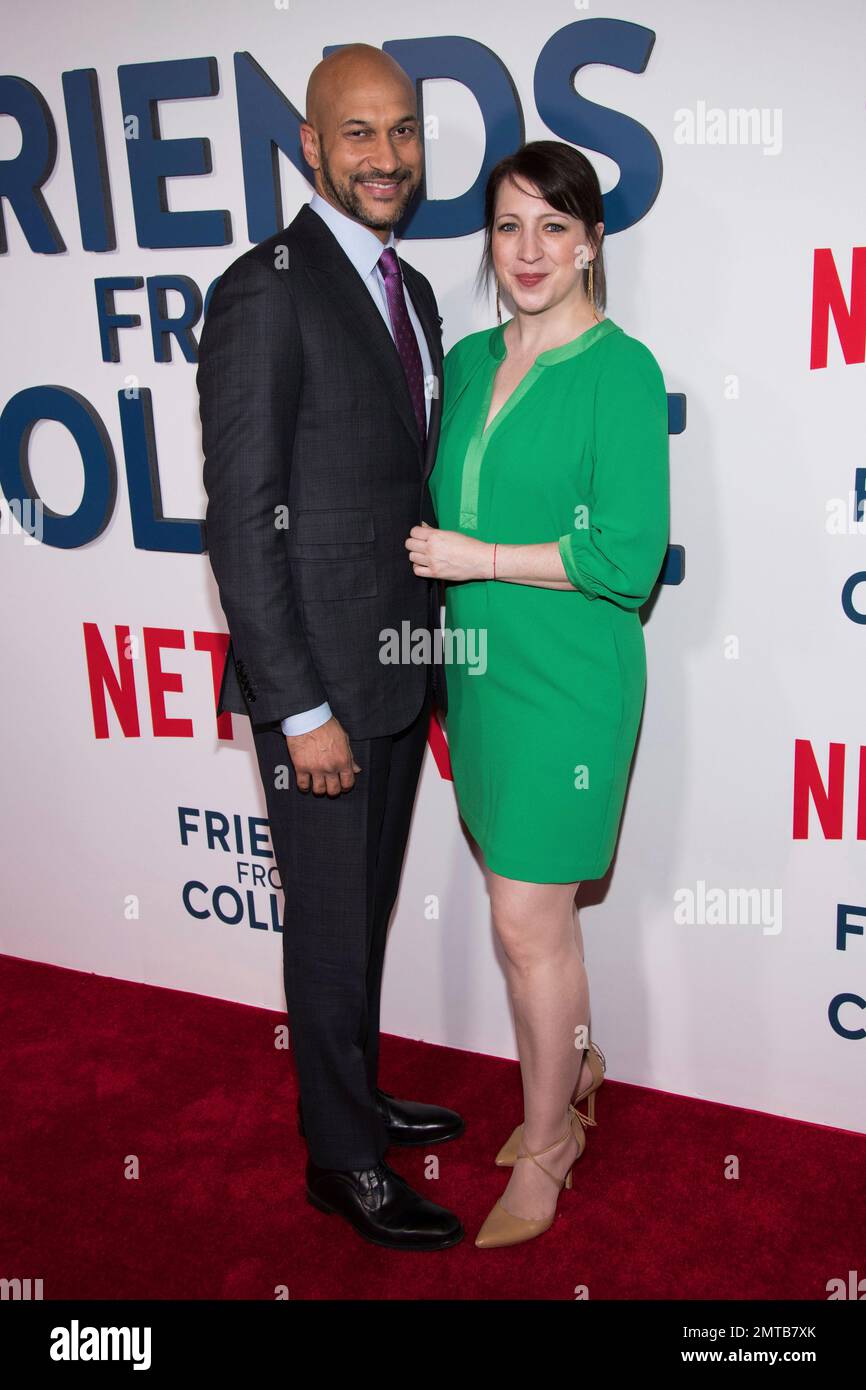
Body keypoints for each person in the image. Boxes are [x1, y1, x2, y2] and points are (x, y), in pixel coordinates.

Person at [197, 43, 464, 1252]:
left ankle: (349, 1098)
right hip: (319, 690)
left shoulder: (408, 292)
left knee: (356, 913)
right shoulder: (267, 287)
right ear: (310, 146)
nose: (386, 157)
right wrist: (297, 706)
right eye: (358, 134)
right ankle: (339, 1163)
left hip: (398, 670)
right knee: (324, 925)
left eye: (402, 132)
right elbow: (240, 517)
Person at [410, 140, 670, 1249]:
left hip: (566, 685)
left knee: (525, 922)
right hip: (477, 676)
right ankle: (579, 1064)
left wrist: (483, 557)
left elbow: (625, 554)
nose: (528, 250)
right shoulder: (466, 360)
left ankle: (550, 1139)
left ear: (591, 242)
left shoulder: (621, 369)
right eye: (509, 225)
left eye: (553, 227)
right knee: (535, 924)